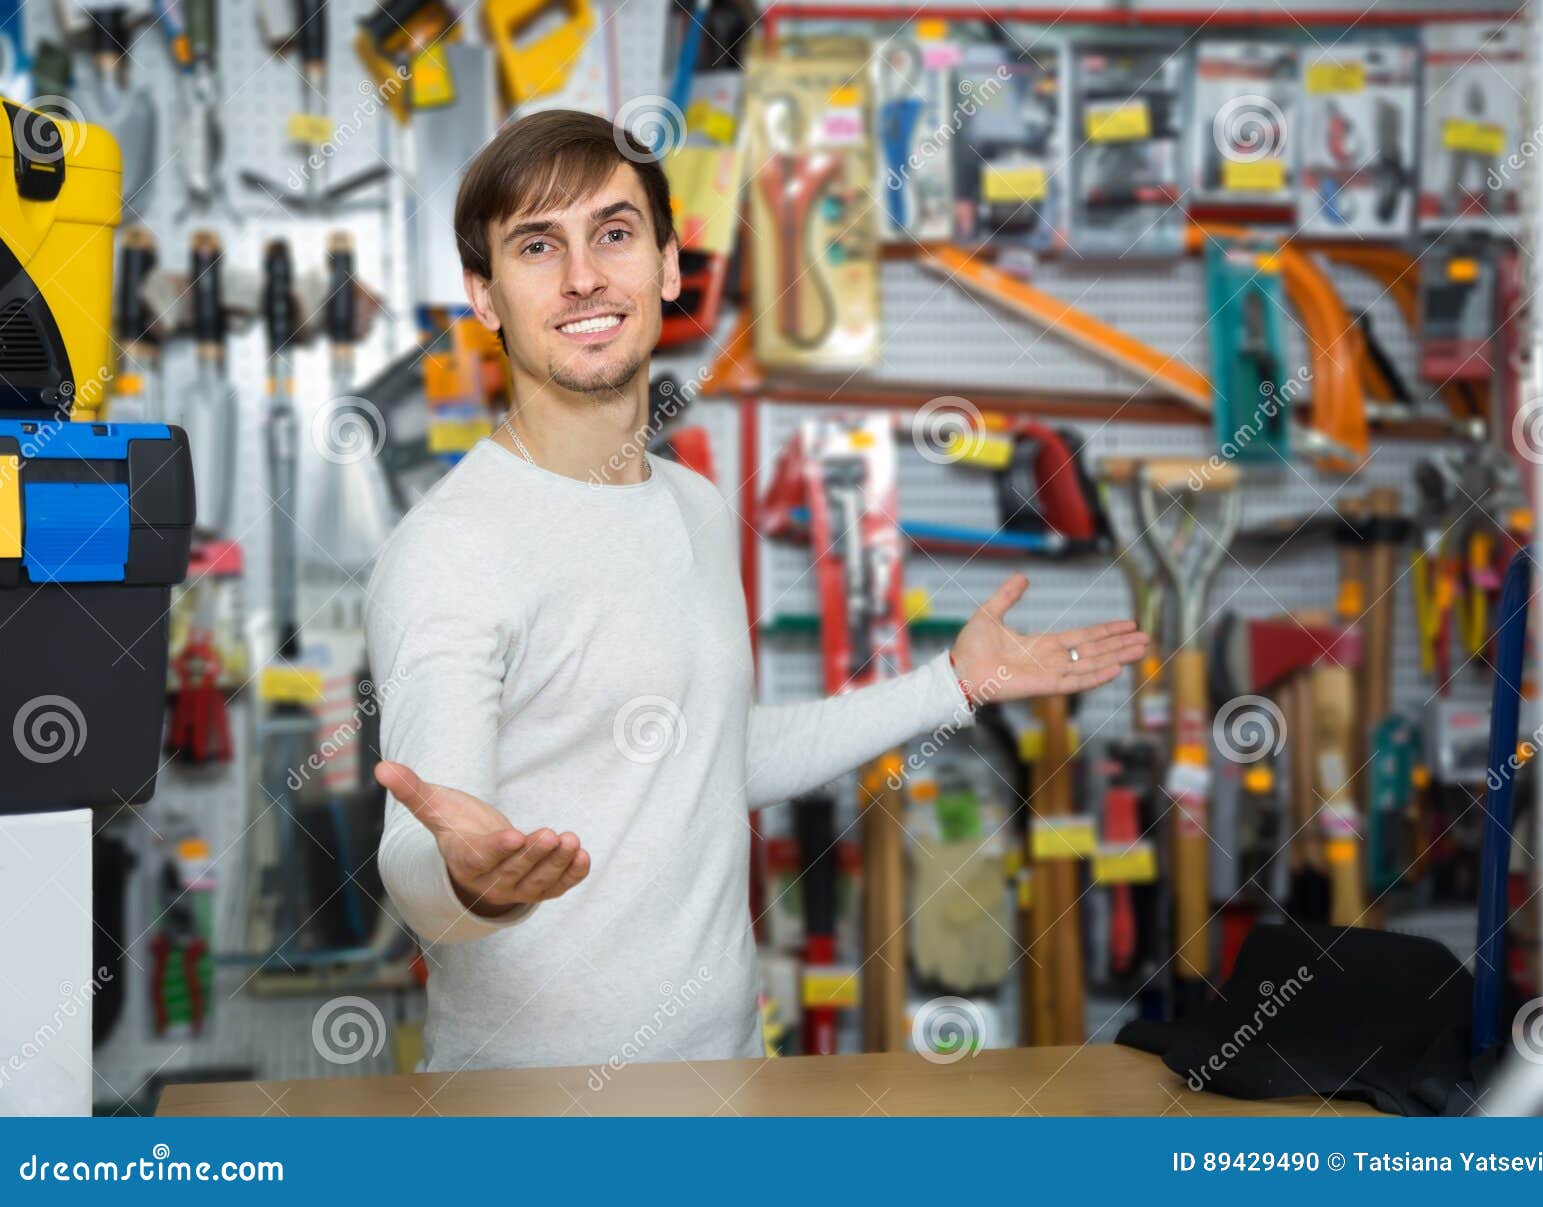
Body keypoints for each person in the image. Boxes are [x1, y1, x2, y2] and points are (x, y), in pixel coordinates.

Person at [365, 109, 1149, 1074]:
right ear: (484, 295)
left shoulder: (691, 504)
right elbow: (418, 850)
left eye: (613, 233)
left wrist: (952, 685)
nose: (582, 277)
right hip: (533, 1115)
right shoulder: (451, 547)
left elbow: (712, 757)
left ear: (667, 266)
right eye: (537, 246)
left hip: (727, 1076)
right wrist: (471, 882)